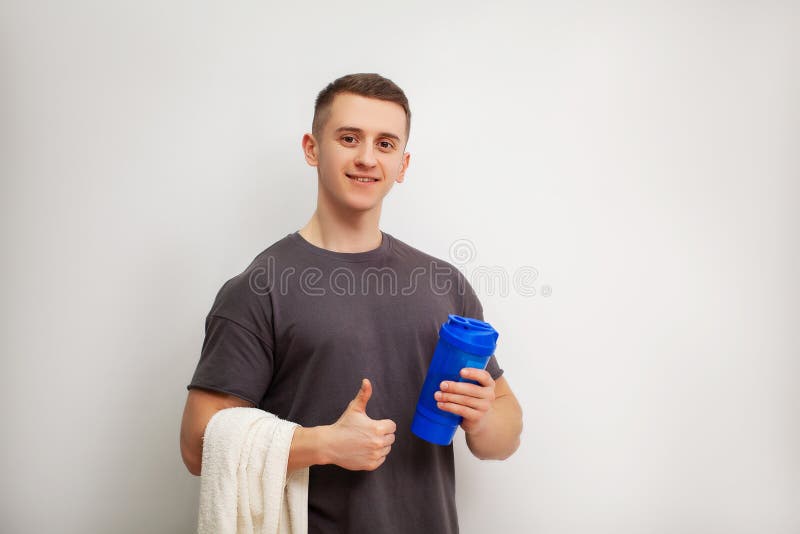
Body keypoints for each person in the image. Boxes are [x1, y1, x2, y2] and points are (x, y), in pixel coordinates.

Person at [180, 73, 523, 533]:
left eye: (385, 144)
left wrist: (482, 419)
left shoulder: (444, 283)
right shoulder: (260, 287)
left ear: (402, 164)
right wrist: (324, 445)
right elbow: (197, 446)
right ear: (312, 148)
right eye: (348, 138)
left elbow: (504, 435)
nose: (366, 158)